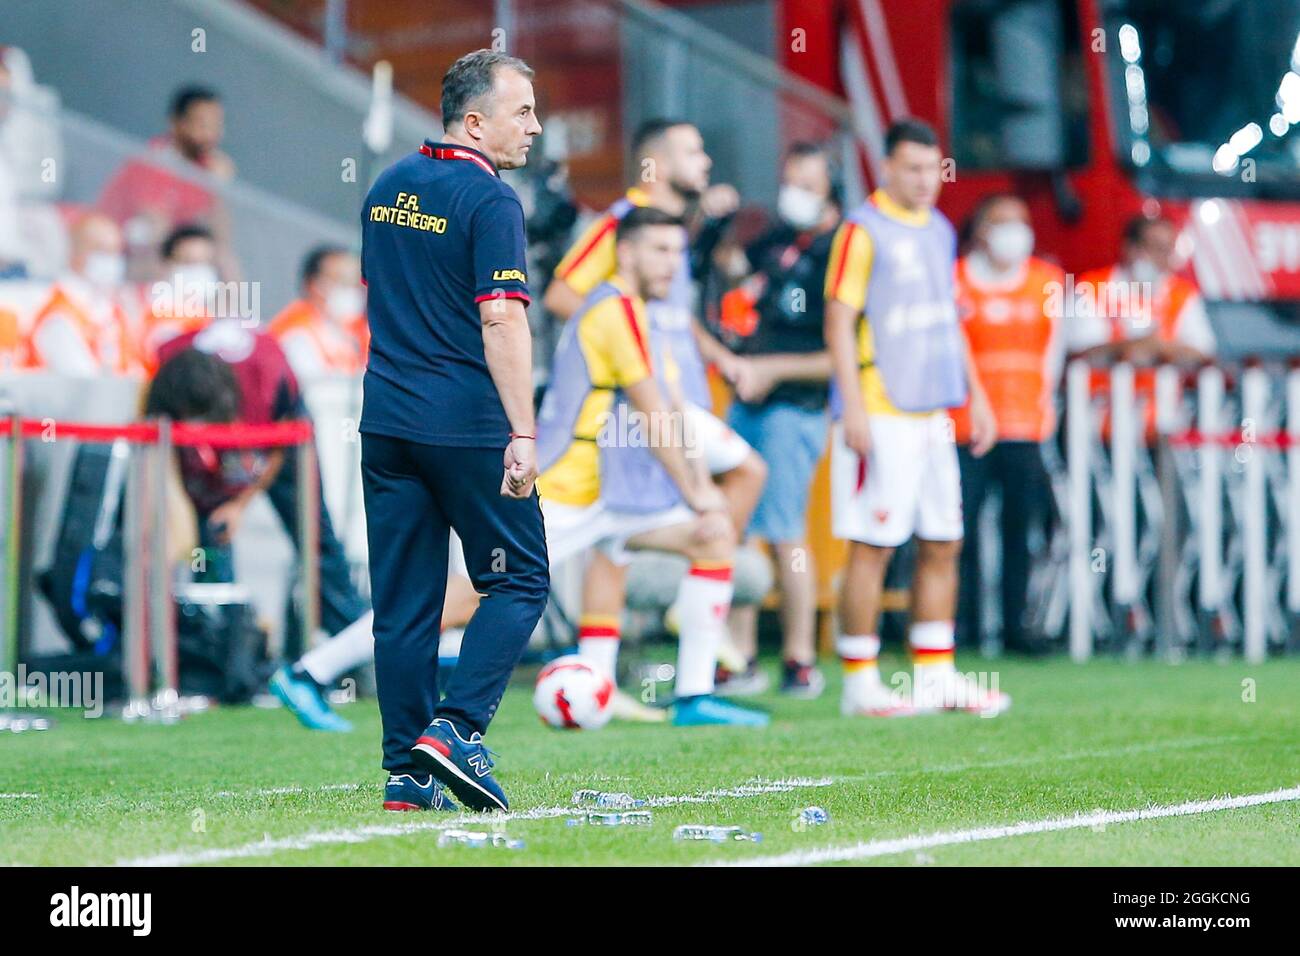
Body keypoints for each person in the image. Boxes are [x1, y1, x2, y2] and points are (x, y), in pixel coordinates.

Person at [359, 49, 548, 814]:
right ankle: (457, 728)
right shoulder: (492, 202)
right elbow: (499, 316)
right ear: (475, 122)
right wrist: (525, 432)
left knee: (404, 603)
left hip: (386, 421)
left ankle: (407, 772)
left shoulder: (386, 187)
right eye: (522, 111)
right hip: (464, 424)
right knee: (521, 578)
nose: (536, 127)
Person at [542, 118, 766, 713]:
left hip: (675, 397)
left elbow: (676, 315)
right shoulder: (625, 224)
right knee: (612, 538)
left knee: (745, 476)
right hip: (629, 406)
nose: (707, 162)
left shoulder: (675, 233)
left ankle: (687, 617)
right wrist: (616, 354)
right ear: (659, 159)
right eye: (695, 150)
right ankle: (608, 670)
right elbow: (563, 293)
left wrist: (718, 356)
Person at [824, 118, 1009, 717]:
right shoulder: (861, 229)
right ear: (888, 168)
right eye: (913, 168)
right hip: (881, 409)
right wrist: (851, 405)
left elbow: (950, 319)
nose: (926, 179)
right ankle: (860, 682)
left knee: (943, 540)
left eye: (933, 168)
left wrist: (974, 396)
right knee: (874, 544)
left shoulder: (940, 231)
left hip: (933, 412)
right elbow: (838, 322)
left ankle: (935, 676)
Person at [152, 318, 373, 732]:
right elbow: (159, 439)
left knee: (315, 538)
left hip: (280, 434)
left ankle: (359, 657)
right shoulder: (168, 370)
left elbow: (280, 451)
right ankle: (216, 659)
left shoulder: (268, 380)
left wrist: (239, 502)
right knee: (207, 542)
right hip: (214, 427)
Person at [713, 142, 841, 698]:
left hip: (796, 408)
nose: (797, 195)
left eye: (809, 185)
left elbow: (843, 357)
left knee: (786, 533)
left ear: (831, 191)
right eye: (792, 181)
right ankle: (739, 658)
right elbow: (742, 277)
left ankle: (800, 659)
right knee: (735, 529)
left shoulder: (841, 251)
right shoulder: (777, 237)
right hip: (749, 401)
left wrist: (769, 368)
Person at [952, 194, 1065, 653]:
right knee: (959, 530)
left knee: (1022, 530)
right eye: (1002, 222)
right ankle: (963, 626)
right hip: (966, 428)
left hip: (1025, 427)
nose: (1014, 231)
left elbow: (1054, 355)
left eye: (1020, 221)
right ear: (980, 229)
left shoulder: (1046, 282)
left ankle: (1017, 625)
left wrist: (1046, 412)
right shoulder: (956, 280)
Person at [1076, 214, 1215, 436]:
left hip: (1162, 424)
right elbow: (1082, 350)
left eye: (1168, 250)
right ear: (1131, 248)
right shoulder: (1093, 288)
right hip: (1098, 425)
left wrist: (1159, 347)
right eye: (1156, 248)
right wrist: (1133, 347)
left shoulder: (1182, 294)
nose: (1164, 259)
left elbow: (1203, 351)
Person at [99, 85, 238, 280]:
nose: (211, 135)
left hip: (169, 252)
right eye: (203, 125)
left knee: (220, 259)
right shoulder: (155, 159)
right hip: (121, 252)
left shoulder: (206, 168)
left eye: (217, 125)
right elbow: (155, 229)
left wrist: (219, 191)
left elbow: (222, 239)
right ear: (176, 123)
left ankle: (234, 310)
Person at [24, 213, 140, 376]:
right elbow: (82, 380)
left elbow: (133, 368)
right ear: (75, 253)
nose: (112, 260)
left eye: (116, 251)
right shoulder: (60, 314)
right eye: (102, 250)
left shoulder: (112, 310)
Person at [268, 245, 369, 381]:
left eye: (355, 283)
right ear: (313, 285)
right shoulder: (295, 334)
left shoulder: (350, 329)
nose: (353, 290)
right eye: (342, 281)